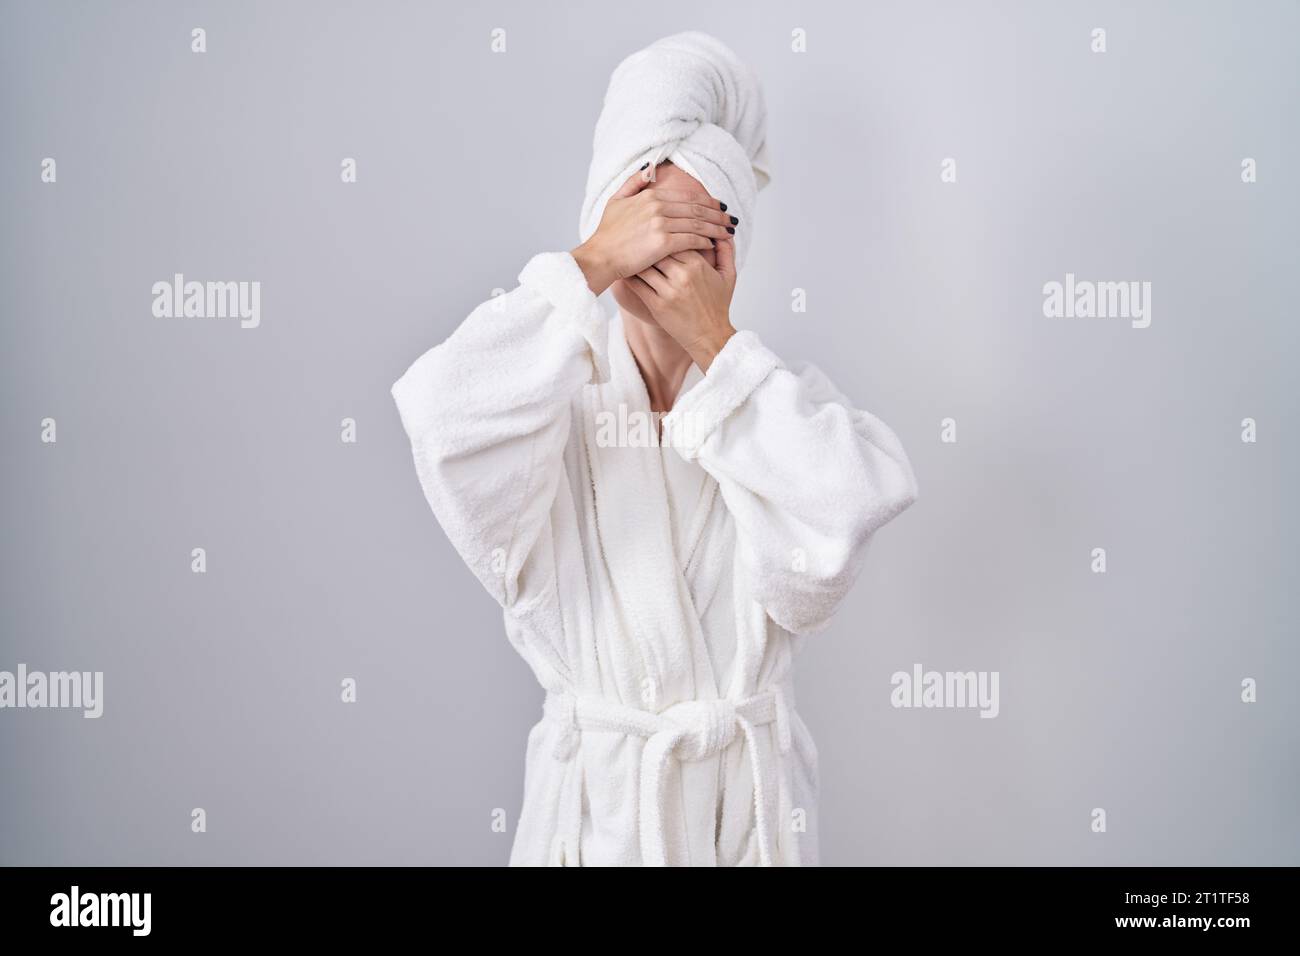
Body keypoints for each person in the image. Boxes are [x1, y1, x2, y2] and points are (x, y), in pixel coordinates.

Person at [392, 32, 917, 866]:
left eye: (701, 224)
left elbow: (840, 527)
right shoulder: (543, 413)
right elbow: (440, 418)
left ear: (731, 248)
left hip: (749, 827)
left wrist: (721, 346)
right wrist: (592, 261)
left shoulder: (781, 404)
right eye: (649, 223)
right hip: (597, 824)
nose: (670, 252)